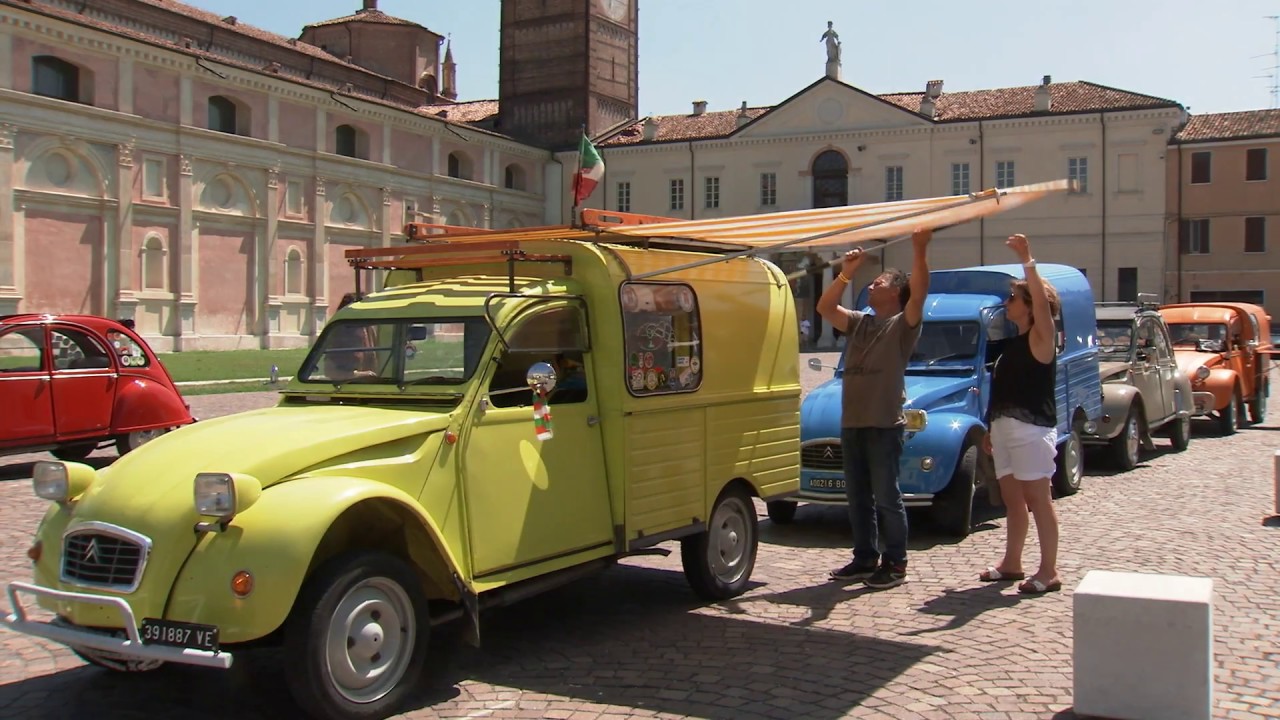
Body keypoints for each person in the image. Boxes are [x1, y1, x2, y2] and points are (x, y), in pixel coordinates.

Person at [818, 228, 932, 590]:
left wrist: (919, 248)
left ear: (896, 291)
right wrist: (846, 272)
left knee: (886, 497)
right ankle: (865, 558)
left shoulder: (903, 325)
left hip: (884, 425)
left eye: (879, 282)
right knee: (857, 499)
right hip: (852, 423)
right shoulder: (860, 322)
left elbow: (920, 293)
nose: (872, 285)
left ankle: (895, 562)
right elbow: (824, 308)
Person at [978, 234, 1064, 595]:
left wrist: (1027, 259)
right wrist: (989, 425)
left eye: (1013, 297)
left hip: (1031, 429)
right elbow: (1002, 388)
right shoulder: (1013, 344)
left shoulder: (1041, 337)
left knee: (1038, 500)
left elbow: (1042, 309)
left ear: (1030, 305)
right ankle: (1012, 563)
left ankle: (1049, 571)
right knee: (1013, 501)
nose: (1007, 302)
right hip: (1004, 428)